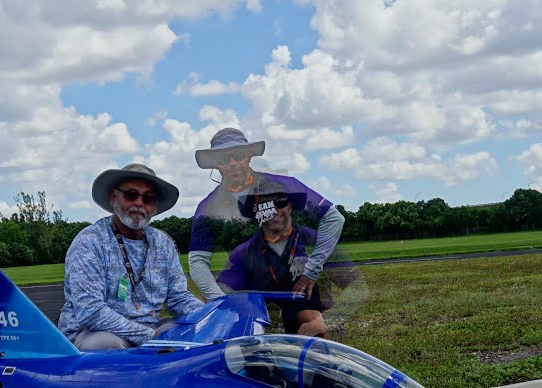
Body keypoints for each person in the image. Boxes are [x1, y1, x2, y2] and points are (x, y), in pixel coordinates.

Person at [57, 163, 204, 350]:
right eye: (131, 195)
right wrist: (149, 336)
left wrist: (213, 316)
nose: (139, 203)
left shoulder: (163, 243)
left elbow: (178, 298)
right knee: (108, 344)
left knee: (188, 332)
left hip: (150, 331)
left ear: (155, 206)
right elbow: (90, 311)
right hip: (90, 334)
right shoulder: (90, 241)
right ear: (113, 197)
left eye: (148, 199)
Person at [188, 128, 345, 302]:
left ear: (248, 156)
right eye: (225, 158)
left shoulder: (284, 185)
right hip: (244, 278)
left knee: (311, 321)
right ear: (216, 163)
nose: (233, 163)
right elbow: (198, 260)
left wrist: (312, 270)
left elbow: (333, 218)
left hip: (292, 271)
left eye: (238, 155)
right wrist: (218, 299)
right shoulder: (208, 207)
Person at [215, 179, 332, 337]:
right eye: (265, 205)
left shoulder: (313, 242)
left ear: (291, 206)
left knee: (316, 325)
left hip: (301, 311)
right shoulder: (242, 253)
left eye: (281, 202)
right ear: (257, 212)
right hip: (257, 326)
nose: (273, 210)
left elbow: (349, 283)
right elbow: (220, 294)